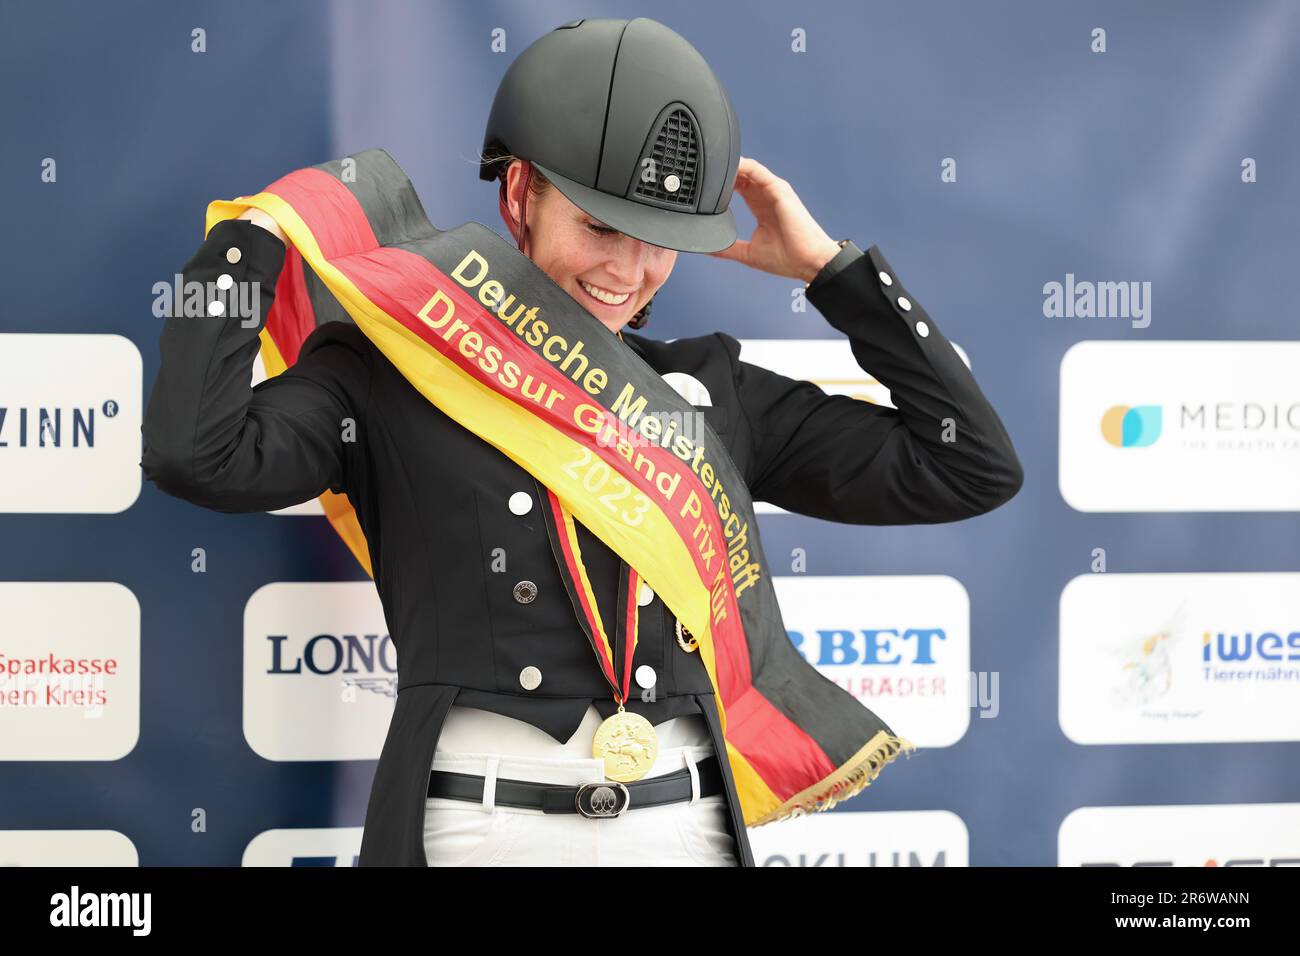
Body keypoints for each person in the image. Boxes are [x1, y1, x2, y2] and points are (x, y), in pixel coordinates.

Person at [141, 17, 1023, 867]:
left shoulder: (708, 390)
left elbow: (966, 466)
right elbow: (198, 454)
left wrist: (833, 273)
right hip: (472, 830)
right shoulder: (382, 371)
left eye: (660, 244)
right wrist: (238, 256)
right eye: (601, 227)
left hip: (683, 830)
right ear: (518, 192)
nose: (626, 272)